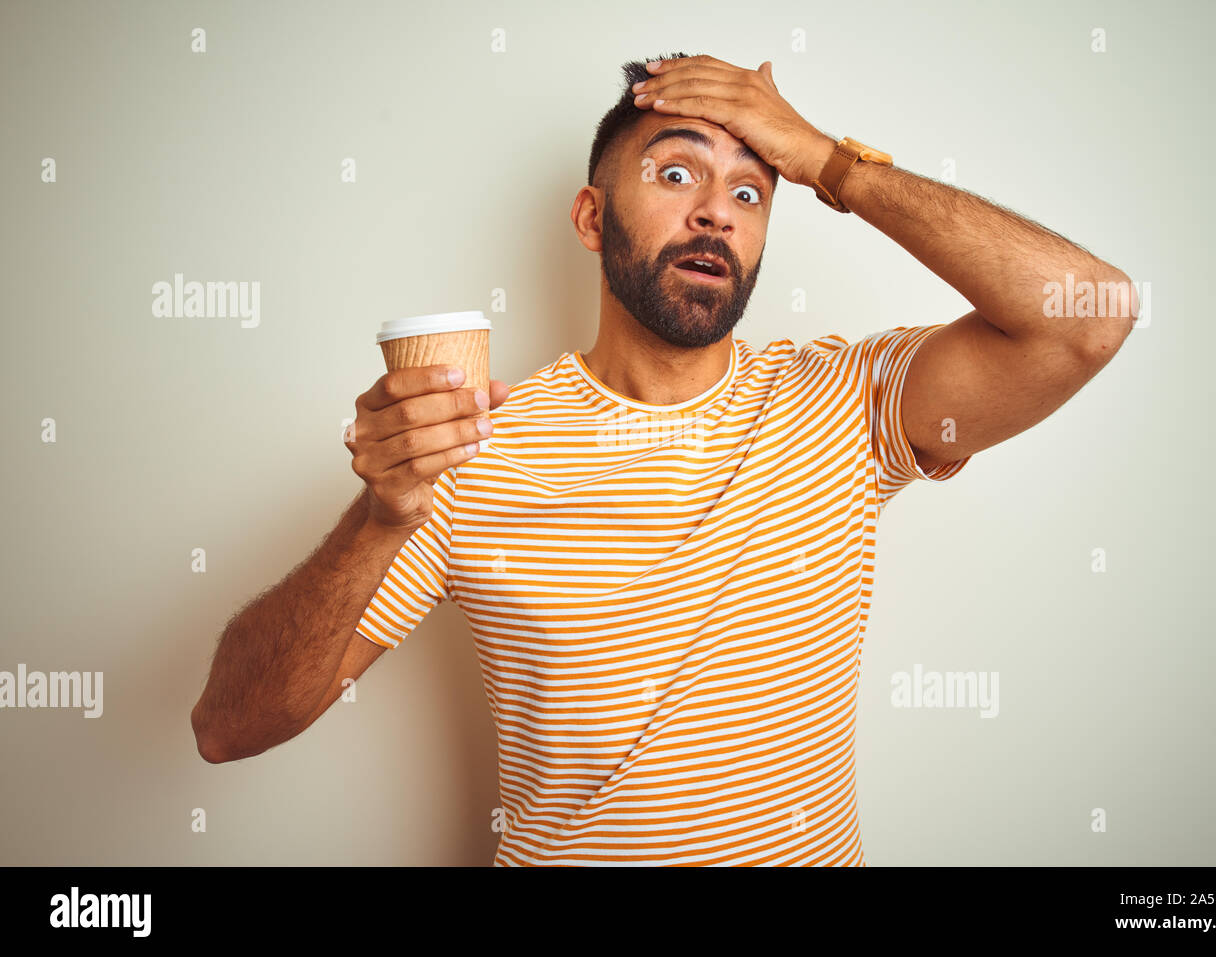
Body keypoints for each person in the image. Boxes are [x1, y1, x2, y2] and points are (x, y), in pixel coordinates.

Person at [191, 53, 1138, 865]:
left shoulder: (849, 403)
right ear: (592, 218)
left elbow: (1090, 318)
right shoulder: (475, 445)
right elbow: (230, 727)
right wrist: (380, 515)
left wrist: (827, 161)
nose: (718, 212)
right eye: (677, 174)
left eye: (750, 189)